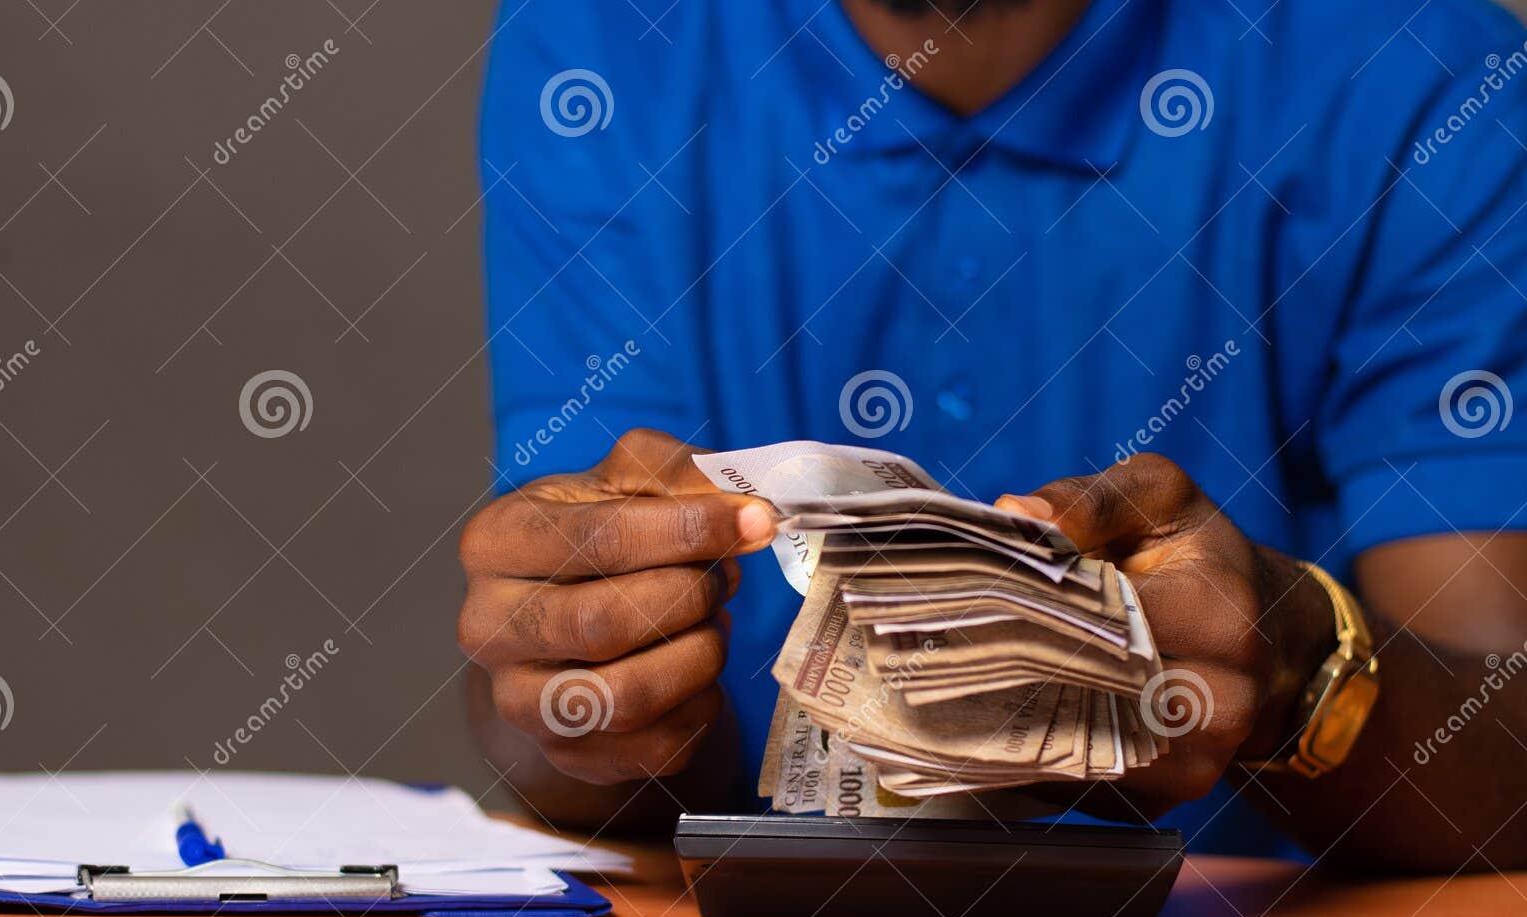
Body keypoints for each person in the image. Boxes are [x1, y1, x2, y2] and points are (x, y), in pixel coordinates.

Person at [458, 0, 1527, 871]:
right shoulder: (602, 41)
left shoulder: (1419, 71)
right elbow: (558, 690)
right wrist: (584, 685)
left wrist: (1296, 665)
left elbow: (1501, 755)